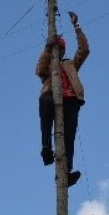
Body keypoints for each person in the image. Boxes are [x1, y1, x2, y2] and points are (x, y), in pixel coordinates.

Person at [36, 10, 89, 187]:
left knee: (69, 136)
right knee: (45, 101)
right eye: (55, 49)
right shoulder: (48, 67)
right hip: (52, 97)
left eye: (60, 49)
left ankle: (66, 173)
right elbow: (39, 70)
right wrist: (47, 47)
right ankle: (46, 147)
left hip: (71, 100)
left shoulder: (70, 64)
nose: (58, 52)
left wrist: (77, 27)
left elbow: (84, 50)